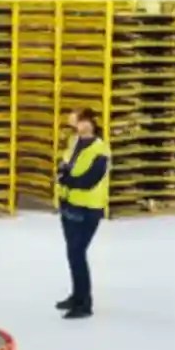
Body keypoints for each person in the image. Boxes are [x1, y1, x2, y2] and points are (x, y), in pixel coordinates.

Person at [56, 107, 109, 319]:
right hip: (69, 204)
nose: (74, 128)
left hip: (88, 209)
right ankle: (77, 296)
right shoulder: (74, 143)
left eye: (76, 123)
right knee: (72, 253)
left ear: (88, 123)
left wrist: (67, 179)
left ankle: (85, 303)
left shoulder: (101, 151)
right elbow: (64, 165)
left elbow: (89, 180)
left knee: (78, 253)